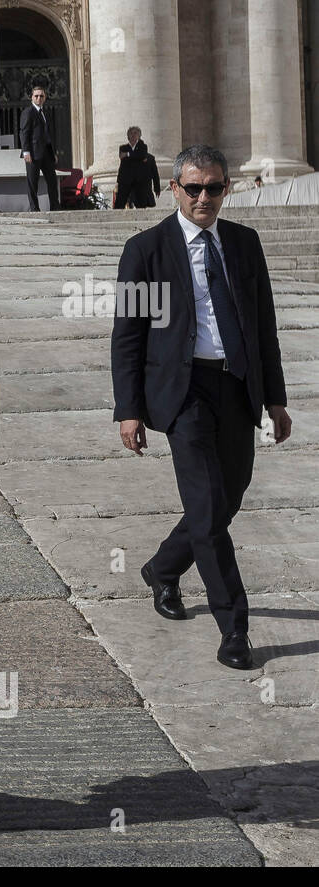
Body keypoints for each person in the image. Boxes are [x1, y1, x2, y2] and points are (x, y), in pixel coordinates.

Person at [112, 144, 291, 671]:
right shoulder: (146, 250)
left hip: (236, 387)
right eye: (194, 188)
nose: (204, 198)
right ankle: (234, 627)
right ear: (175, 189)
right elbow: (127, 337)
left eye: (215, 187)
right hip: (181, 393)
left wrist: (275, 397)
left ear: (227, 188)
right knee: (210, 511)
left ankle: (163, 569)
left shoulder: (243, 243)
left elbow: (264, 327)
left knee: (226, 498)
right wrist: (129, 409)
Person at [19, 86, 60, 211]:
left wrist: (54, 152)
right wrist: (26, 151)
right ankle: (34, 209)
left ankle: (55, 207)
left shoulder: (45, 113)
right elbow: (24, 132)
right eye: (36, 96)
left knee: (52, 181)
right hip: (33, 153)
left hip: (47, 153)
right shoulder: (28, 112)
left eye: (41, 96)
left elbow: (49, 134)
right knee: (32, 183)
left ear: (45, 97)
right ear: (31, 97)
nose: (39, 98)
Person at [115, 126, 161, 209]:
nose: (133, 135)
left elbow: (142, 155)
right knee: (119, 204)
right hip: (125, 180)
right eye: (131, 133)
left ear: (139, 136)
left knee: (141, 205)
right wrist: (137, 156)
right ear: (128, 136)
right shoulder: (123, 148)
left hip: (139, 182)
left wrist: (128, 155)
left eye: (135, 133)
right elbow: (128, 156)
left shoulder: (143, 147)